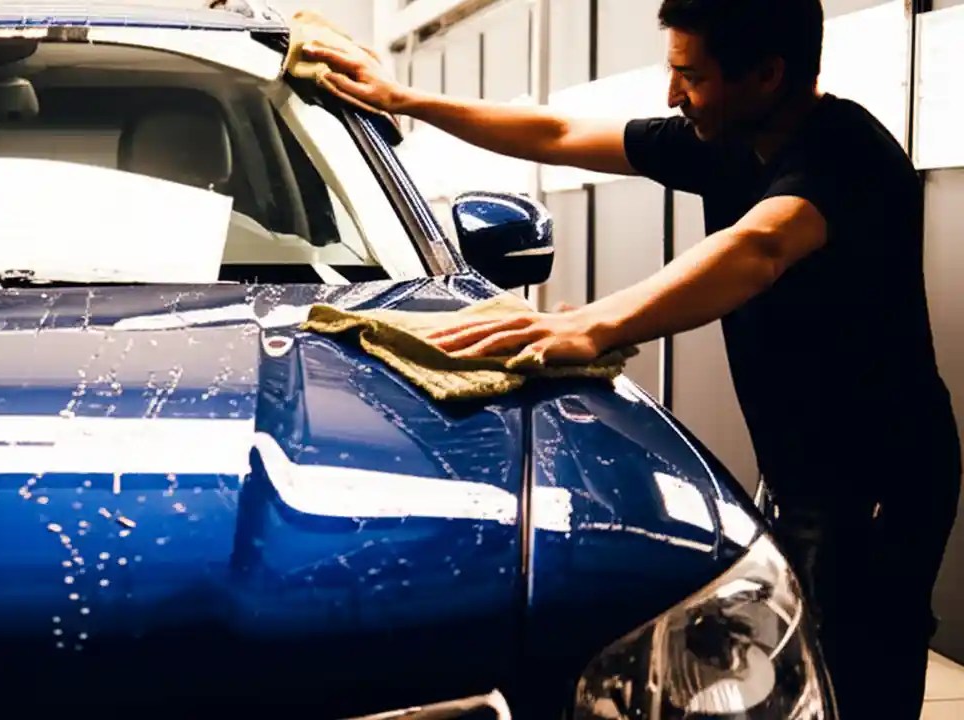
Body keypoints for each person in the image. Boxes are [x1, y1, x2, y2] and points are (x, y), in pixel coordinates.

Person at [304, 0, 960, 717]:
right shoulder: (727, 137)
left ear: (768, 74)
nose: (674, 96)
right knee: (810, 653)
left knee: (860, 663)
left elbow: (759, 249)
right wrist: (403, 100)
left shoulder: (847, 154)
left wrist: (591, 324)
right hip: (806, 463)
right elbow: (556, 132)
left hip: (882, 475)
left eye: (691, 76)